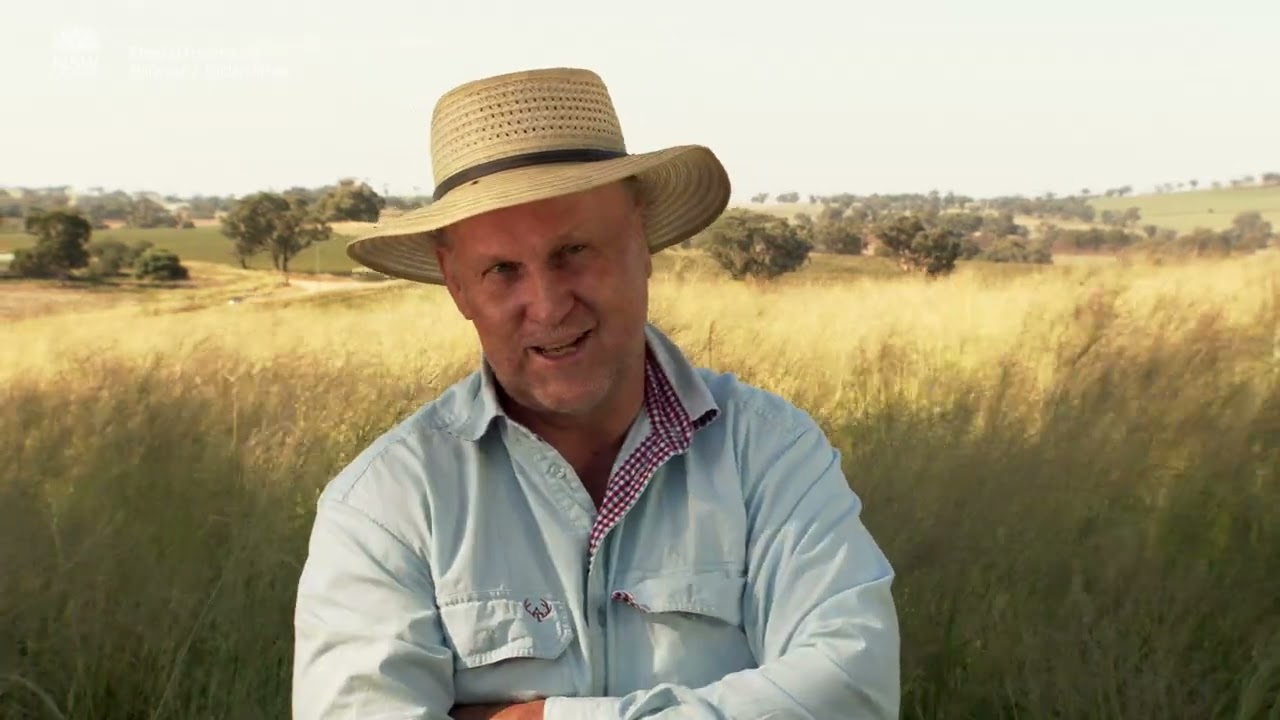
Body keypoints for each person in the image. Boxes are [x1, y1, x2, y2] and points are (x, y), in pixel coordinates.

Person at [292, 66, 900, 720]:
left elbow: (853, 691)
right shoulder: (387, 505)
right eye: (502, 270)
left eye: (575, 251)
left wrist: (542, 718)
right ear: (456, 284)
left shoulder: (769, 455)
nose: (549, 305)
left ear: (642, 241)